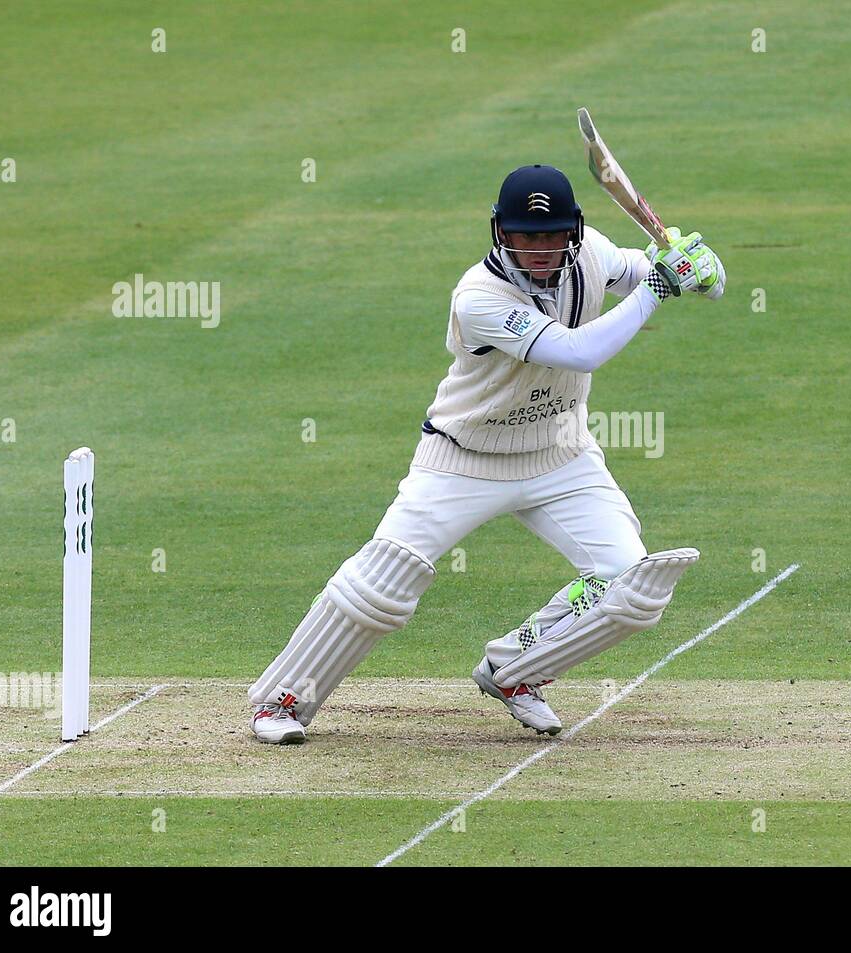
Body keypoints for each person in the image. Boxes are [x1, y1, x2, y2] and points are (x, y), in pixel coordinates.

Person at [249, 163, 725, 742]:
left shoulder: (594, 253)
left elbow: (659, 274)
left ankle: (516, 669)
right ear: (500, 232)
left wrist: (698, 270)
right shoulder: (478, 297)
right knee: (380, 586)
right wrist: (660, 286)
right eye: (526, 236)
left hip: (560, 453)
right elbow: (578, 352)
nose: (540, 249)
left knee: (629, 586)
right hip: (463, 458)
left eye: (552, 236)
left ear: (575, 231)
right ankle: (281, 701)